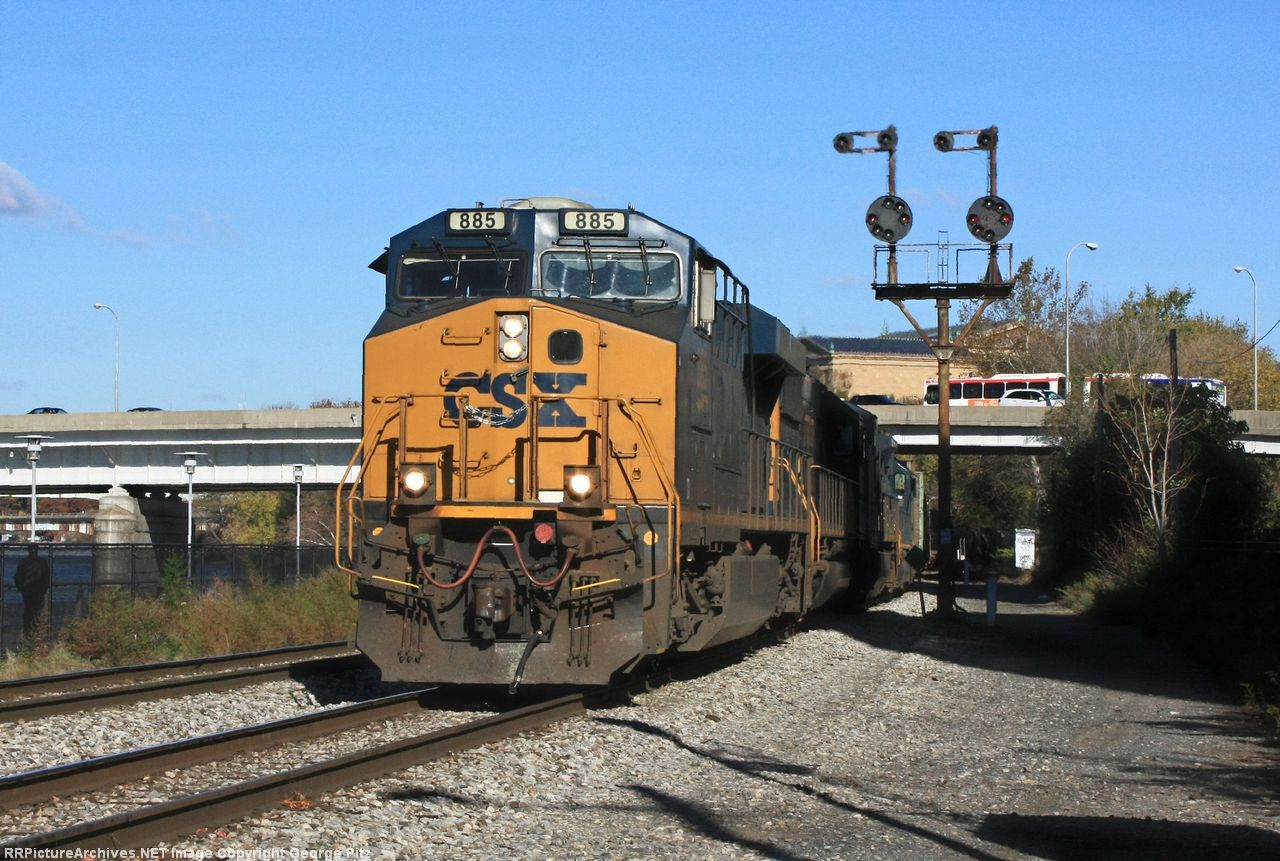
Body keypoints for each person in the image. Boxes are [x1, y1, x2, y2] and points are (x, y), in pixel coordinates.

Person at [15, 543, 51, 639]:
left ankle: (29, 633)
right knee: (36, 611)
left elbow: (17, 577)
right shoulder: (42, 562)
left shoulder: (24, 562)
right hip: (36, 591)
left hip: (29, 591)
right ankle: (35, 632)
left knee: (29, 612)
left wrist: (21, 587)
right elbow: (46, 577)